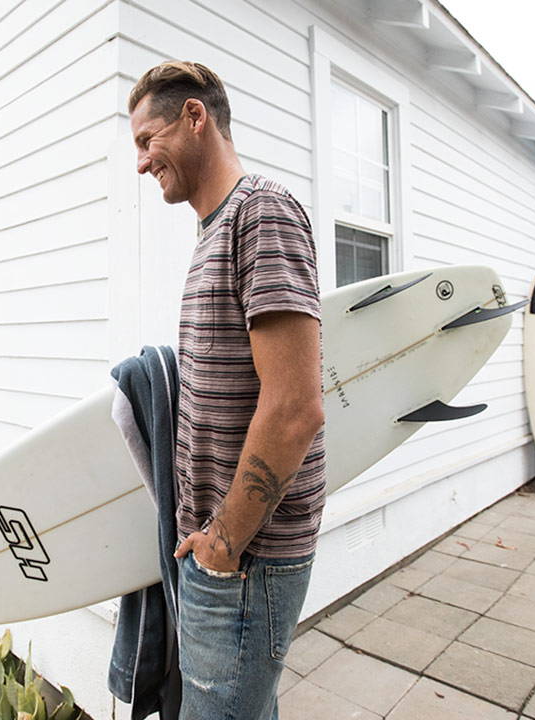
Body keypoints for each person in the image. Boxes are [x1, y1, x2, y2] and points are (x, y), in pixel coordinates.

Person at [128, 61, 327, 720]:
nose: (141, 162)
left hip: (245, 556)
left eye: (146, 140)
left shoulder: (260, 213)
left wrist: (222, 542)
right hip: (221, 552)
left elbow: (295, 408)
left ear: (195, 117)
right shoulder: (214, 228)